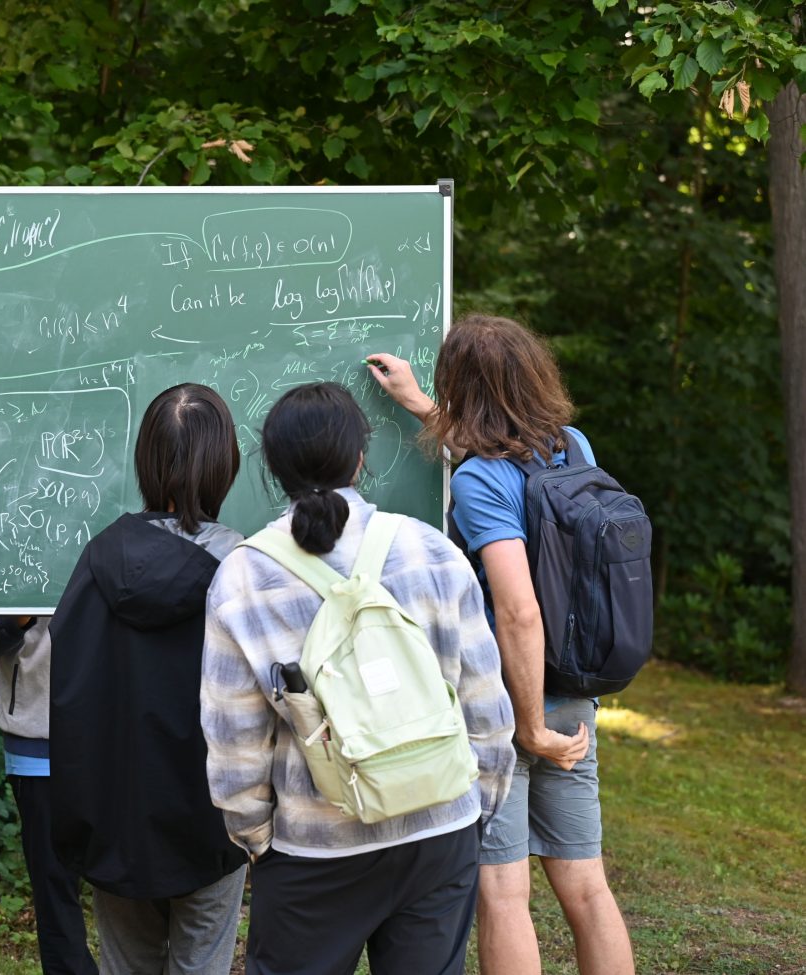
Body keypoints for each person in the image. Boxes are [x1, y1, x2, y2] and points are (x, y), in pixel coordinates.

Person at [201, 382, 516, 975]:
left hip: (316, 848)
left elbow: (233, 735)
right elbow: (486, 707)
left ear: (272, 469)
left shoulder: (243, 575)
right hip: (440, 828)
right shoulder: (432, 550)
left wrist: (257, 839)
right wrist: (477, 807)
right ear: (361, 458)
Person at [367, 312, 636, 975]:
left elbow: (518, 608)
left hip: (509, 709)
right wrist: (423, 410)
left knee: (504, 890)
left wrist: (530, 726)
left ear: (463, 384)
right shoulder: (574, 446)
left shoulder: (479, 481)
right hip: (575, 691)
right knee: (587, 885)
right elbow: (500, 453)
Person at [48, 382, 249, 975]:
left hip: (115, 822)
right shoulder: (240, 568)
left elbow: (70, 697)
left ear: (144, 459)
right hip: (214, 822)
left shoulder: (99, 559)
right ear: (225, 464)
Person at [0, 613, 99, 975]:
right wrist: (19, 614)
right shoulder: (5, 558)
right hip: (38, 747)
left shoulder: (124, 555)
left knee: (129, 883)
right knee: (55, 888)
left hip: (114, 741)